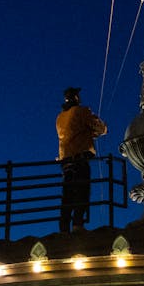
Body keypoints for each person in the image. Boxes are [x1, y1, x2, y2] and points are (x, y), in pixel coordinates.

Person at [56, 86, 107, 232]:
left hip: (65, 160)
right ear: (77, 98)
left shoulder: (60, 117)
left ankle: (64, 227)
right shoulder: (81, 111)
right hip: (80, 157)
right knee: (82, 191)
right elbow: (98, 127)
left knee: (67, 194)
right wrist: (102, 129)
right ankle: (78, 224)